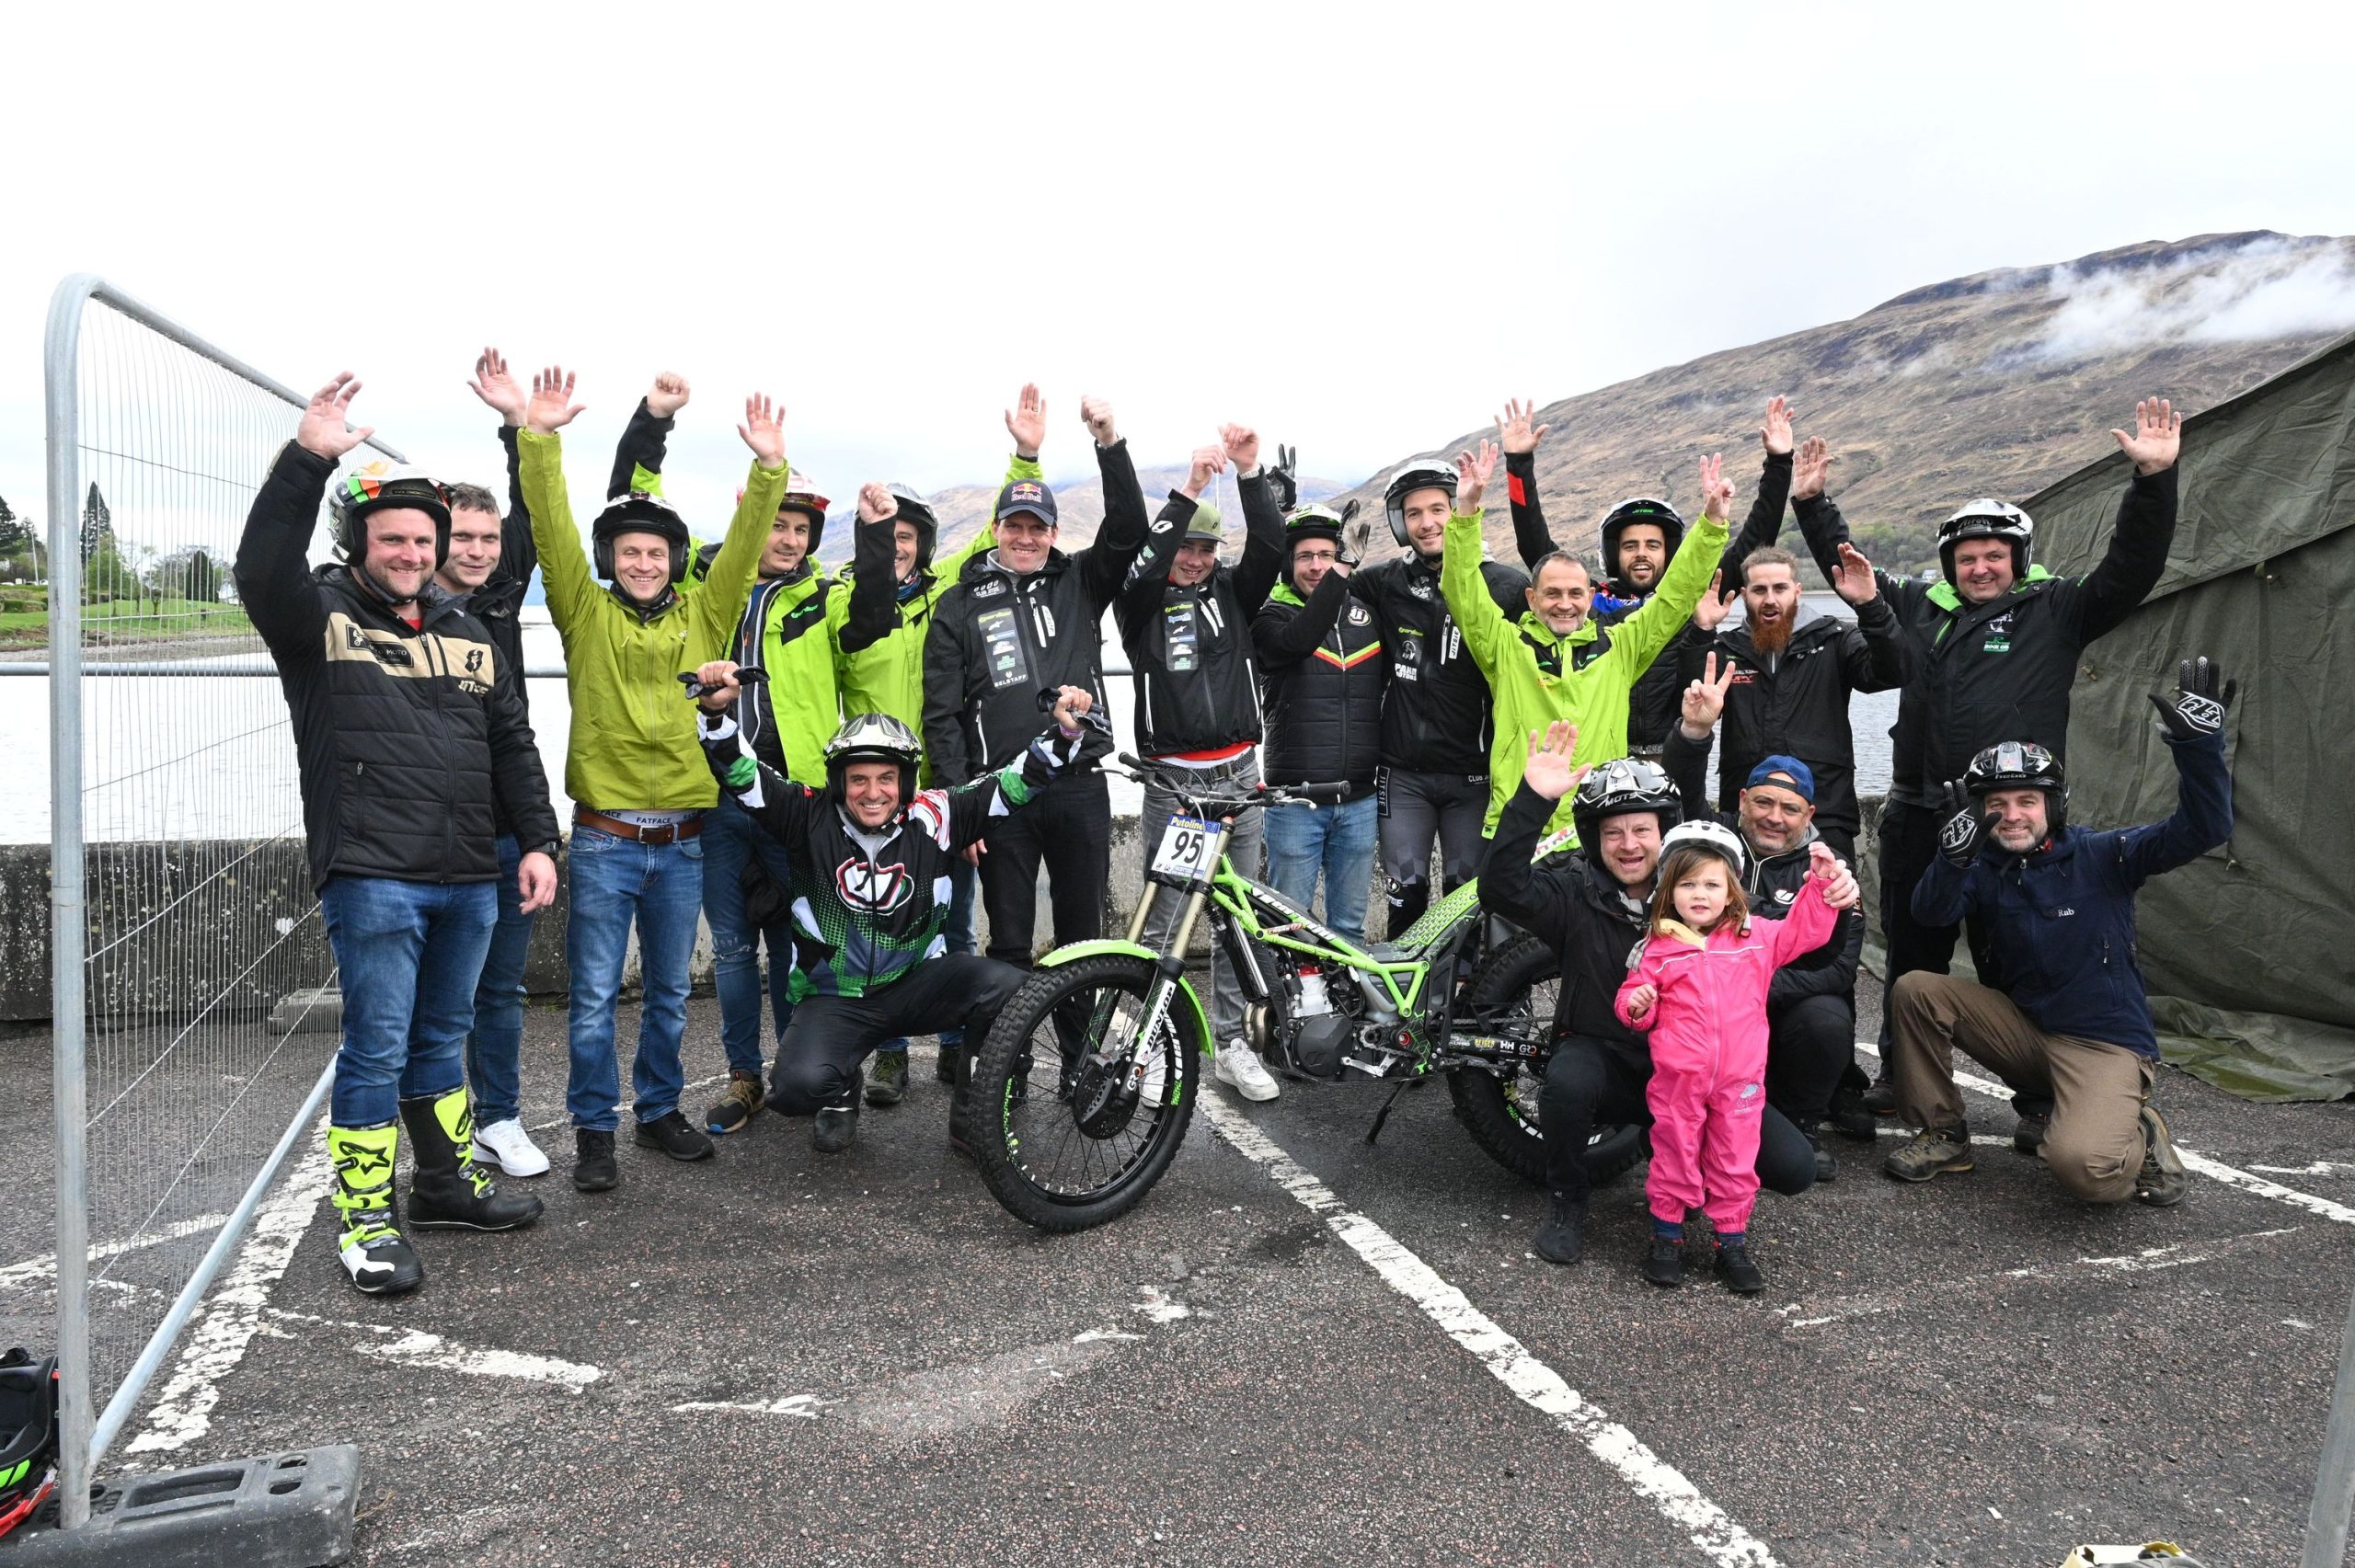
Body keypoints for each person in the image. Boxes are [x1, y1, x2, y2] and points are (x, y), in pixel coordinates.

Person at [234, 372, 558, 1296]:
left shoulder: (467, 626)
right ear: (360, 543)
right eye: (396, 539)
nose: (414, 552)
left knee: (440, 1034)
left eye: (426, 539)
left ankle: (447, 1184)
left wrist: (539, 841)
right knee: (376, 1044)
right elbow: (259, 568)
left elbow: (510, 740)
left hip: (469, 872)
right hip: (374, 871)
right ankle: (366, 1219)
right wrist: (307, 459)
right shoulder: (317, 617)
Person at [1789, 400, 2184, 1124]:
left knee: (2019, 957)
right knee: (1915, 952)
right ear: (1950, 563)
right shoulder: (1919, 607)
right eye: (1967, 557)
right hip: (1918, 812)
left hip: (2011, 822)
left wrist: (2154, 482)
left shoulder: (2059, 609)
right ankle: (1905, 1083)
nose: (1979, 567)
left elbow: (2132, 569)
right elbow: (1853, 574)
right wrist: (1813, 504)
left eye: (1993, 556)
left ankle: (2040, 1095)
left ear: (2017, 561)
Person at [517, 364, 789, 1192]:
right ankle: (595, 1129)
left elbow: (743, 552)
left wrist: (768, 469)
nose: (642, 562)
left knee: (669, 991)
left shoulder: (706, 611)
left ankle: (658, 1108)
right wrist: (540, 440)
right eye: (629, 552)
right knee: (594, 996)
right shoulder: (581, 608)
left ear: (675, 559)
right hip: (603, 839)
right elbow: (553, 525)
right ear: (611, 559)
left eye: (657, 551)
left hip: (682, 840)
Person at [690, 661, 1107, 1152]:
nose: (872, 793)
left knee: (1012, 988)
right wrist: (715, 715)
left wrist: (1064, 731)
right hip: (835, 997)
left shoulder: (936, 815)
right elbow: (741, 775)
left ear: (905, 780)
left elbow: (1016, 782)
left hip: (917, 984)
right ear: (838, 780)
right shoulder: (805, 815)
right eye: (858, 779)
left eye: (887, 778)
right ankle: (840, 1088)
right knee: (792, 1091)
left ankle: (972, 1118)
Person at [1481, 727, 1842, 1269]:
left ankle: (1683, 1158)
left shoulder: (1713, 895)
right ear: (1594, 840)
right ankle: (1567, 1201)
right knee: (1568, 1080)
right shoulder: (1572, 893)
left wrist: (1836, 895)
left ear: (1665, 833)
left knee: (1794, 1170)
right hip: (1608, 1057)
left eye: (1642, 830)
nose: (1629, 845)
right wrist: (1534, 798)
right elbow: (1500, 889)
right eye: (1613, 833)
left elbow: (1805, 946)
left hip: (1701, 1073)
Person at [1883, 658, 2235, 1207]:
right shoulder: (1983, 867)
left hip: (2101, 1043)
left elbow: (2204, 828)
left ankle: (2138, 1129)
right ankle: (1945, 1134)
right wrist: (1951, 860)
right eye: (1996, 806)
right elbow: (1930, 915)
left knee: (2088, 1173)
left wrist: (2200, 751)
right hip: (2025, 1032)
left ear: (2055, 804)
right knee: (1915, 989)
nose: (2013, 816)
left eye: (2028, 801)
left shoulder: (2105, 855)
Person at [840, 404, 1042, 1102]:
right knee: (883, 930)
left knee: (955, 920)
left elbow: (1001, 526)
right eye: (885, 537)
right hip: (873, 798)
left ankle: (957, 1045)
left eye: (907, 537)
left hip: (943, 791)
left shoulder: (946, 593)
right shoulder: (849, 605)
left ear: (924, 544)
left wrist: (1024, 455)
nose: (897, 547)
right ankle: (890, 1053)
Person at [924, 389, 1152, 974]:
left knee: (1084, 941)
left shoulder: (1080, 581)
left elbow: (1129, 528)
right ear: (997, 528)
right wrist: (960, 807)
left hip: (1079, 787)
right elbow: (942, 715)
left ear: (1052, 532)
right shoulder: (956, 604)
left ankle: (1082, 1064)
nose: (1026, 538)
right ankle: (1006, 1066)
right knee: (1008, 946)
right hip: (1001, 792)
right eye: (1015, 526)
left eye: (1038, 528)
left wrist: (1108, 441)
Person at [1110, 425, 1287, 1098]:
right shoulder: (1140, 604)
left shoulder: (1235, 595)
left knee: (1238, 923)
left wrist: (1248, 472)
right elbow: (1143, 562)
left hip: (1241, 779)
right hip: (1175, 786)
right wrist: (1186, 492)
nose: (1192, 557)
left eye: (1205, 547)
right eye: (1185, 544)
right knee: (1163, 923)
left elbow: (1272, 543)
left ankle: (1235, 1045)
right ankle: (1146, 1046)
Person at [1442, 441, 1729, 841]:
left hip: (1597, 825)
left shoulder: (1621, 647)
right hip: (1519, 823)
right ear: (1532, 598)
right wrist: (1467, 512)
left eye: (1575, 594)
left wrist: (1711, 526)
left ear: (1590, 597)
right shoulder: (1504, 646)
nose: (1565, 604)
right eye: (1552, 594)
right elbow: (1462, 588)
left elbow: (1676, 596)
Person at [1617, 813, 1848, 1293]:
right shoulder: (1656, 948)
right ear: (1667, 891)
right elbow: (1631, 998)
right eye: (1686, 884)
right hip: (1678, 1081)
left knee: (1735, 1158)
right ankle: (1667, 1235)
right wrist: (1637, 1006)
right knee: (1673, 1153)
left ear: (1732, 891)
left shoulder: (1756, 937)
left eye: (1711, 884)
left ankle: (1731, 1241)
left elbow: (1805, 933)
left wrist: (1819, 885)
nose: (1699, 895)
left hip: (1740, 1081)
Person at [1499, 395, 1798, 758]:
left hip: (1672, 749)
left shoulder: (1694, 597)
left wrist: (1780, 463)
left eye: (1653, 545)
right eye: (1630, 546)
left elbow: (1755, 542)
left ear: (1669, 553)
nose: (1642, 552)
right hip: (1603, 751)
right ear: (1612, 554)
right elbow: (1533, 540)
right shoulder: (1586, 601)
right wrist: (1518, 464)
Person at [1663, 657, 1868, 1180]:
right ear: (1742, 800)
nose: (1774, 817)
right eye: (1763, 802)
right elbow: (1680, 789)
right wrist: (1695, 731)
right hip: (1699, 1015)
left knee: (1828, 1017)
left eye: (1790, 808)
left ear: (1809, 816)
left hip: (1773, 1003)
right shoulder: (1713, 840)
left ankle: (1800, 1121)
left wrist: (1753, 985)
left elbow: (1840, 968)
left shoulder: (1829, 870)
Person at [1348, 437, 1555, 937]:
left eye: (1438, 508)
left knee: (1469, 904)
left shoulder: (1504, 585)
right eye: (1414, 513)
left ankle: (1471, 1004)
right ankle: (1405, 1012)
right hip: (1402, 777)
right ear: (1401, 523)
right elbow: (1316, 601)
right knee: (1407, 901)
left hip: (1473, 777)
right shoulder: (1383, 581)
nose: (1427, 522)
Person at [442, 347, 557, 1180]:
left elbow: (529, 510)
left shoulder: (501, 594)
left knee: (500, 992)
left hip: (505, 820)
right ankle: (440, 1128)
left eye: (487, 539)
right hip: (431, 832)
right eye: (463, 537)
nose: (479, 550)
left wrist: (516, 424)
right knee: (436, 1001)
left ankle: (501, 1118)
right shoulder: (404, 608)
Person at [1678, 541, 1912, 865]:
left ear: (1797, 591)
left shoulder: (1835, 639)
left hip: (1825, 813)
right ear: (1744, 595)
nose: (1770, 599)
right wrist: (1701, 631)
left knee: (1831, 909)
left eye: (1780, 588)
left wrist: (1870, 605)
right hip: (1748, 818)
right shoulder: (1726, 649)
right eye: (1759, 590)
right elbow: (1688, 701)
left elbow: (1892, 672)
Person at [1252, 497, 1383, 942]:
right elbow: (1299, 640)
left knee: (1349, 930)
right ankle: (1293, 1012)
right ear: (1289, 563)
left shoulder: (1367, 613)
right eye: (1305, 556)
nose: (1316, 566)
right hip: (1295, 802)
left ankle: (1348, 1013)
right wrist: (1344, 569)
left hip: (1360, 799)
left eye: (1327, 554)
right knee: (1289, 931)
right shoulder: (1270, 617)